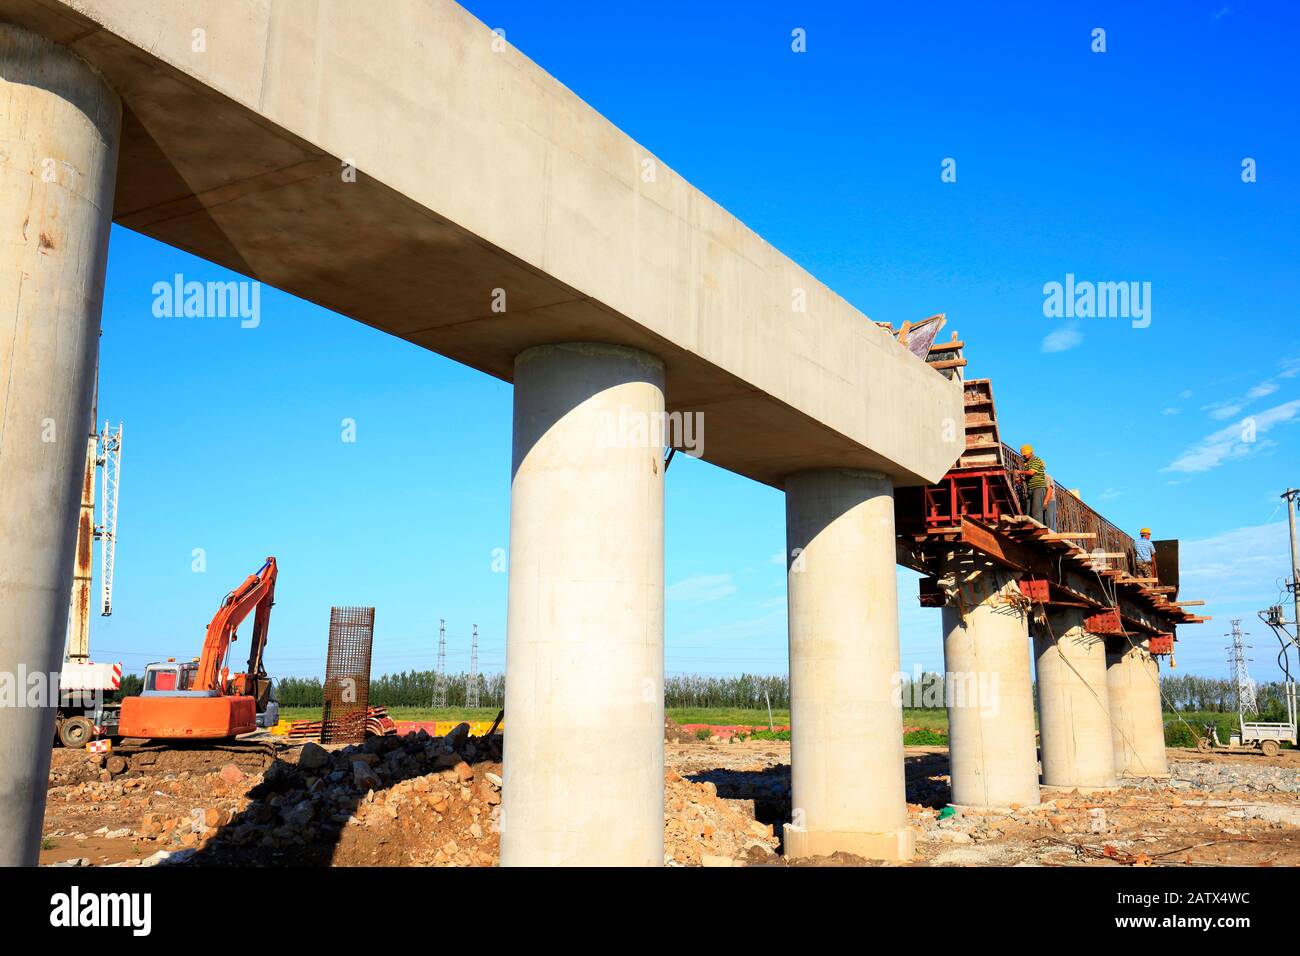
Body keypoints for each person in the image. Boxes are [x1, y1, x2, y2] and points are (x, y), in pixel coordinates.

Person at [1020, 444, 1049, 525]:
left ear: (1030, 453)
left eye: (1025, 454)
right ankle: (1031, 526)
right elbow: (1029, 476)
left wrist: (1019, 472)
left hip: (1038, 488)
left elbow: (1031, 472)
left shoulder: (1035, 459)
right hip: (1030, 488)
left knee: (1036, 511)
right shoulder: (1027, 463)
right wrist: (1022, 479)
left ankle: (1038, 527)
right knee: (1029, 511)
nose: (1024, 456)